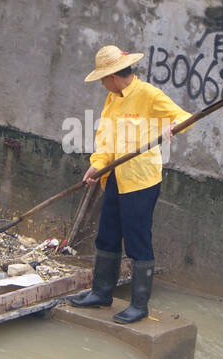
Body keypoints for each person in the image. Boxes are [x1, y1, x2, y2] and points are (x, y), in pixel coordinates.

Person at [67, 44, 192, 323]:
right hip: (115, 178)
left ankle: (139, 305)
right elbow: (106, 137)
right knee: (107, 236)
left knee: (137, 241)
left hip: (140, 181)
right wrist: (97, 165)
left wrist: (174, 127)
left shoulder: (148, 94)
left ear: (112, 76)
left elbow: (184, 118)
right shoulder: (113, 98)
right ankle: (101, 293)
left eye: (102, 78)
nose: (101, 83)